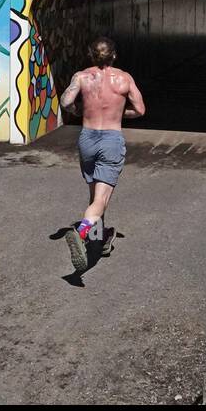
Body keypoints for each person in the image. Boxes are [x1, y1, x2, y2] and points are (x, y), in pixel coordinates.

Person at [58, 37, 146, 274]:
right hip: (110, 140)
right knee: (101, 199)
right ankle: (82, 232)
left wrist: (80, 109)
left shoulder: (81, 77)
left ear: (91, 55)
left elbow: (65, 101)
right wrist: (118, 112)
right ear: (114, 55)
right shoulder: (124, 78)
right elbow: (140, 109)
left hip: (87, 138)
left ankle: (98, 238)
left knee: (94, 194)